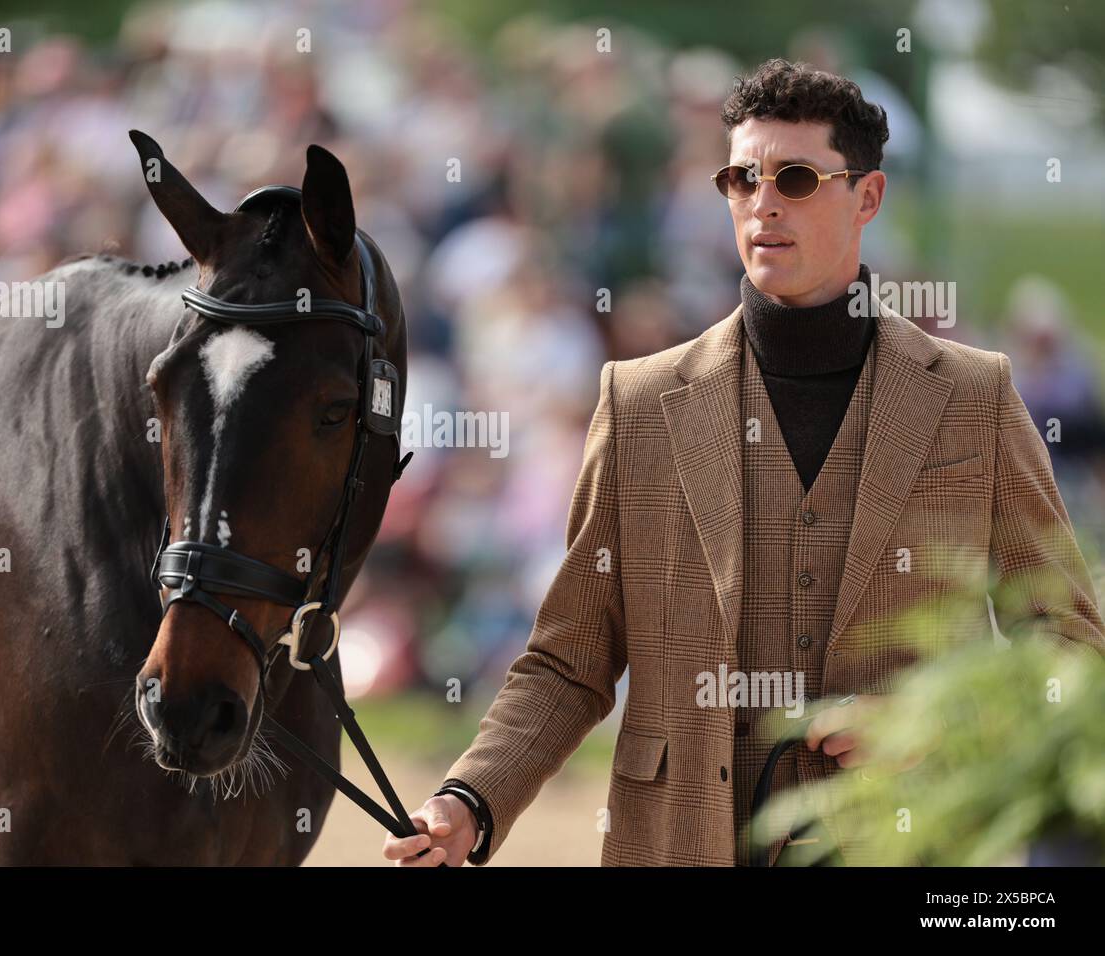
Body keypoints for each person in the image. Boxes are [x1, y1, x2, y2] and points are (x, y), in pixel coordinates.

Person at [383, 58, 1105, 867]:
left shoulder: (975, 396)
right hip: (678, 843)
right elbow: (571, 658)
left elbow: (1067, 644)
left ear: (867, 196)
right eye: (741, 178)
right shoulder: (637, 403)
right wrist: (471, 799)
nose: (763, 203)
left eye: (796, 178)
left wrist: (926, 730)